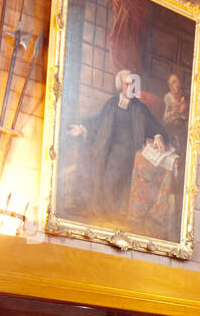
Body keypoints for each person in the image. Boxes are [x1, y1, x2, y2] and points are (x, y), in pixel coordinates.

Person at [67, 69, 170, 226]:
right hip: (109, 145)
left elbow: (154, 124)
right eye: (127, 84)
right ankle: (95, 208)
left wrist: (157, 136)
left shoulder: (140, 108)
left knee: (114, 171)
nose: (129, 87)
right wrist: (82, 128)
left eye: (132, 84)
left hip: (129, 149)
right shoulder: (112, 103)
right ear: (121, 85)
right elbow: (97, 121)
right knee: (97, 163)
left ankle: (109, 212)